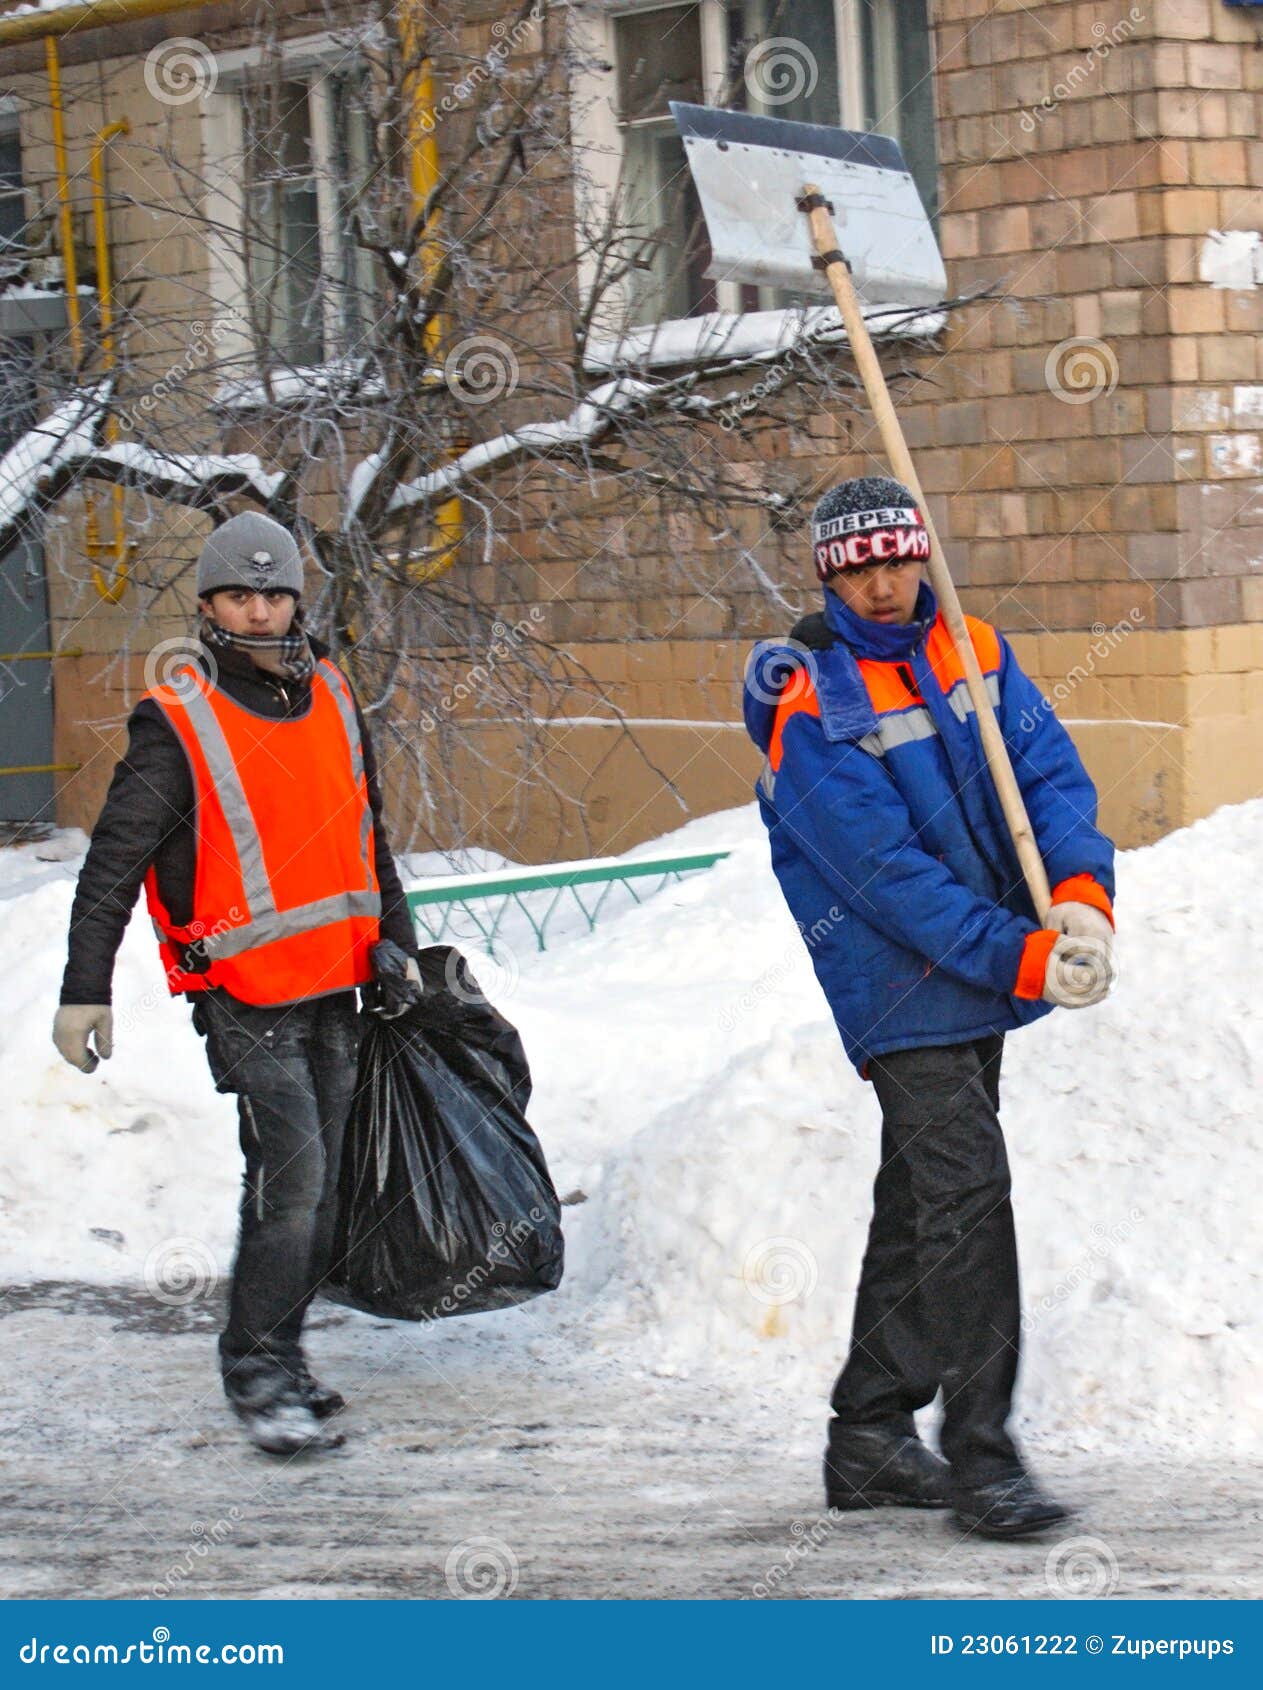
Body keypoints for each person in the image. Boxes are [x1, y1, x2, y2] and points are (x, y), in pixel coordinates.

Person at [742, 476, 1117, 1540]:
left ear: (922, 556)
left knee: (920, 1199)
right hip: (895, 978)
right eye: (858, 565)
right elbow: (885, 876)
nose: (883, 580)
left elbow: (1048, 774)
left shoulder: (974, 649)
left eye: (898, 558)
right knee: (968, 1194)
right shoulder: (809, 699)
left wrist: (1081, 903)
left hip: (980, 965)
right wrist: (1022, 956)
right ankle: (982, 1455)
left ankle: (867, 1436)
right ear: (829, 574)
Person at [52, 512, 422, 1456]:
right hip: (243, 992)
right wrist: (82, 988)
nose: (258, 610)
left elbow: (366, 833)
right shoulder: (179, 719)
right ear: (209, 606)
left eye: (274, 593)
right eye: (238, 594)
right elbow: (114, 863)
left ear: (297, 600)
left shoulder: (334, 694)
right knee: (292, 1181)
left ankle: (282, 1358)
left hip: (336, 983)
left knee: (322, 1185)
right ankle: (257, 1375)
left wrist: (397, 941)